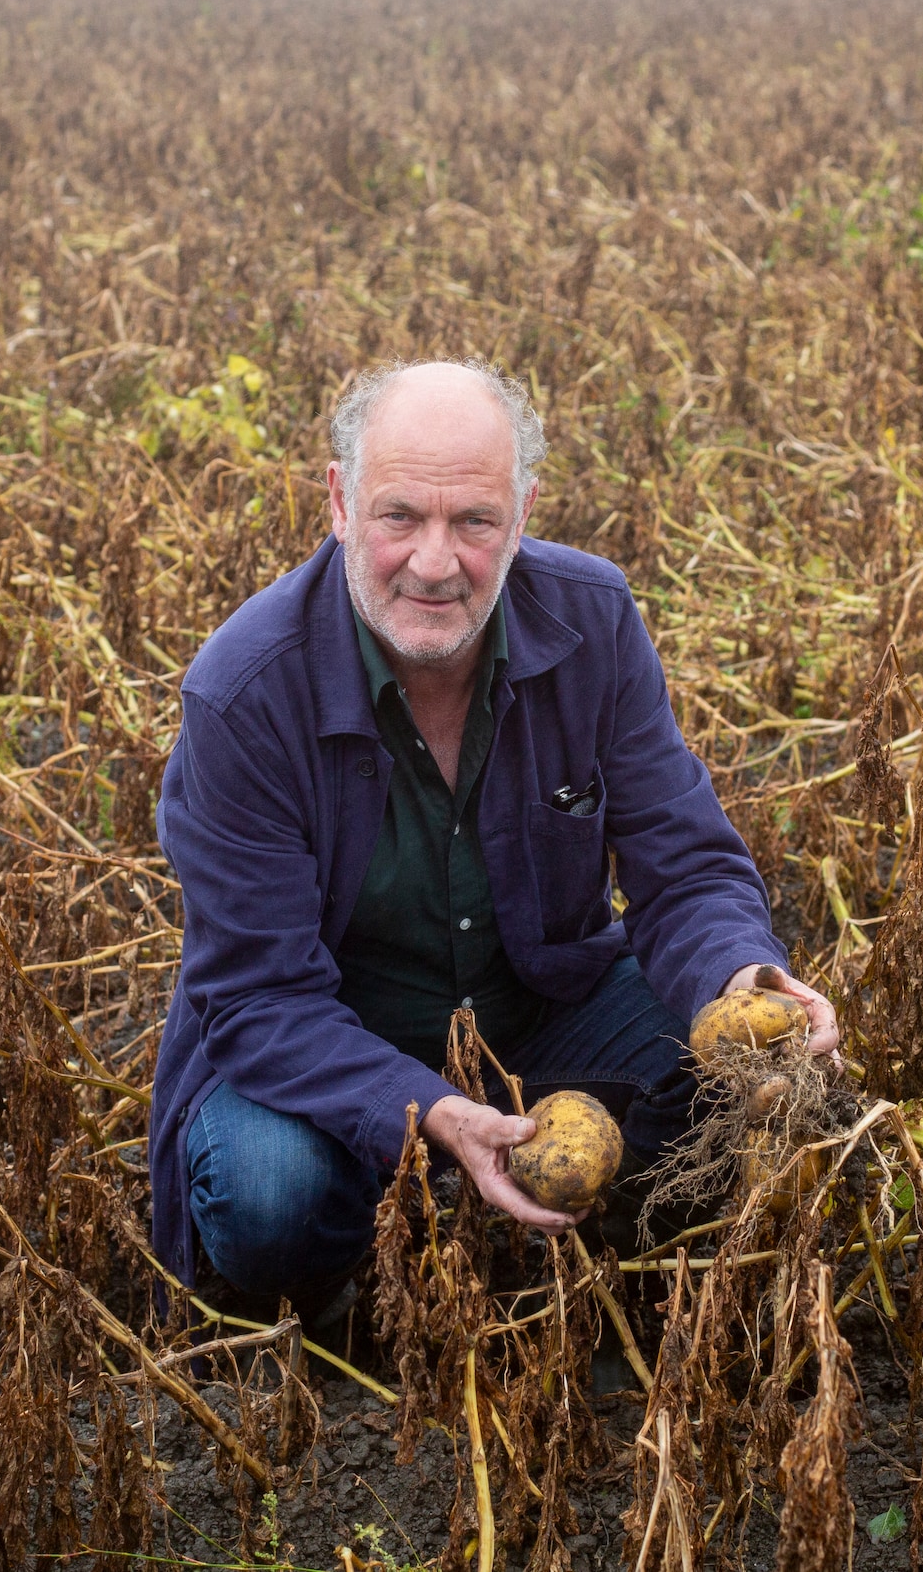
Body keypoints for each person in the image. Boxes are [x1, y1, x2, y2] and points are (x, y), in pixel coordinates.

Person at [149, 358, 837, 1316]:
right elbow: (260, 996)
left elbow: (683, 865)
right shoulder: (244, 693)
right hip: (322, 1047)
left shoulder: (591, 622)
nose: (435, 562)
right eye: (401, 516)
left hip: (538, 1009)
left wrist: (739, 977)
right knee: (272, 1202)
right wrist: (431, 1114)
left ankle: (558, 1235)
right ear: (342, 503)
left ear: (522, 512)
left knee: (750, 1080)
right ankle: (398, 1253)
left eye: (474, 520)